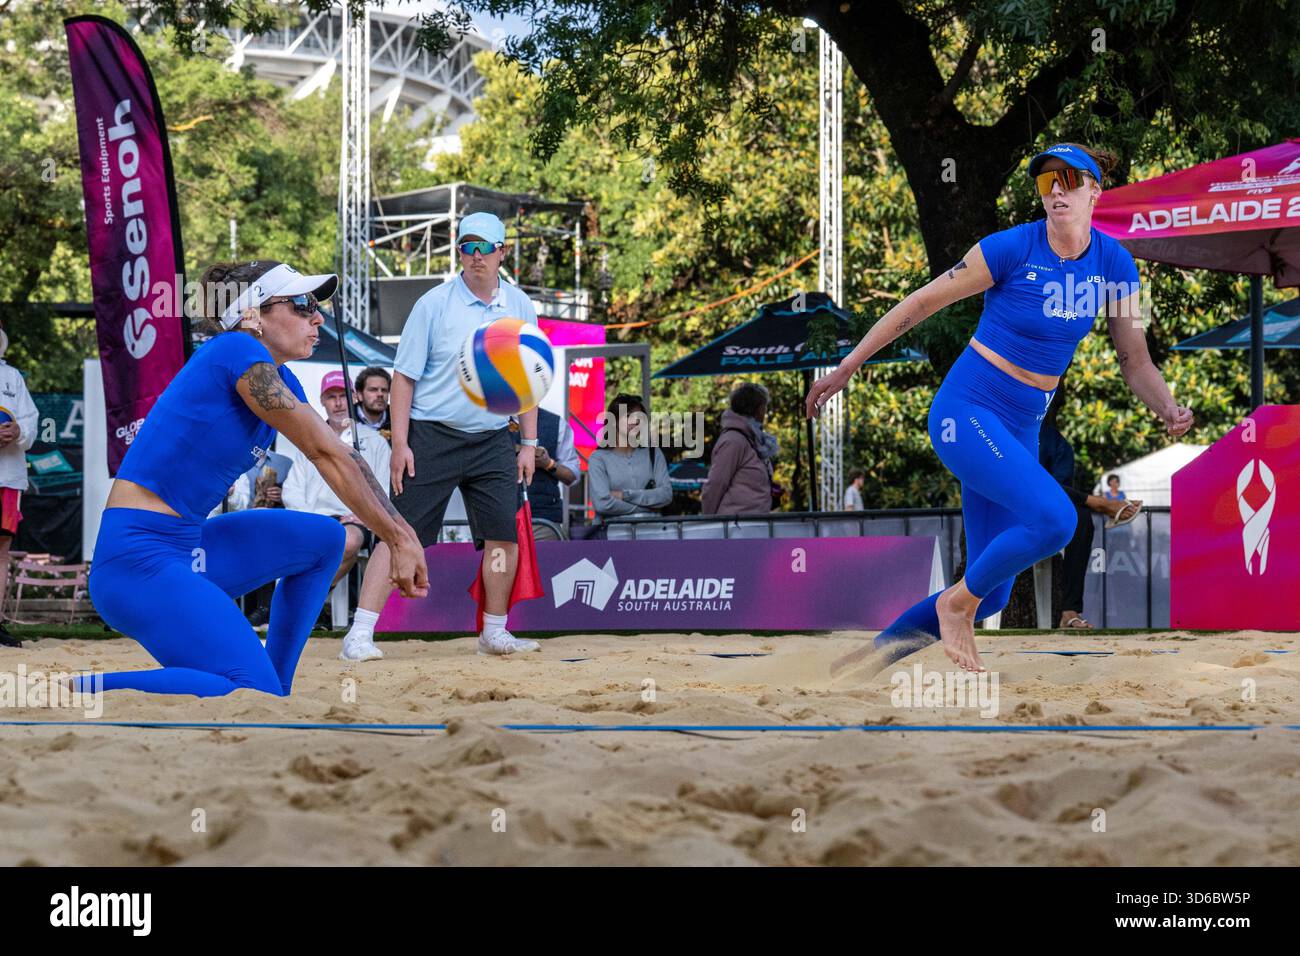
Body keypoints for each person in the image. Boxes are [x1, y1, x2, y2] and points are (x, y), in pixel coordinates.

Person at [807, 142, 1193, 672]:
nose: (1056, 190)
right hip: (967, 411)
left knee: (990, 593)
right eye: (1045, 182)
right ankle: (952, 606)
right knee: (1057, 519)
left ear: (1094, 191)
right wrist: (848, 365)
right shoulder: (1009, 248)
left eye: (1069, 180)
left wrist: (1168, 406)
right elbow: (921, 303)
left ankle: (861, 665)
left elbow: (1135, 361)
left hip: (1021, 427)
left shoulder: (1118, 265)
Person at [77, 260, 427, 697]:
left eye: (316, 305)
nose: (318, 316)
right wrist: (398, 539)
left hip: (187, 547)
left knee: (325, 539)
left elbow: (341, 455)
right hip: (133, 563)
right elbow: (326, 454)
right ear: (251, 315)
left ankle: (276, 686)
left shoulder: (284, 380)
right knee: (242, 684)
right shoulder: (235, 350)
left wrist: (402, 534)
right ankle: (67, 688)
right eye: (302, 304)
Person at [337, 211, 542, 660]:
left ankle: (494, 632)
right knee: (399, 532)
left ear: (502, 252)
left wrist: (528, 443)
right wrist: (401, 444)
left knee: (502, 539)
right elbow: (404, 378)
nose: (474, 257)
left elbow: (527, 380)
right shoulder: (433, 304)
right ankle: (360, 634)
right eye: (466, 248)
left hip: (492, 438)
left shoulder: (520, 306)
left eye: (484, 248)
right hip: (433, 434)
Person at [1038, 387, 1141, 629]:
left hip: (1038, 515)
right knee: (1081, 506)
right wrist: (1097, 501)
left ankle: (1069, 610)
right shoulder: (1003, 432)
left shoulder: (1056, 443)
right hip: (1001, 511)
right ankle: (1101, 503)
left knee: (1081, 517)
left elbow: (1056, 491)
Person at [282, 370, 392, 590]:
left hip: (356, 518)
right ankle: (312, 601)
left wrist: (366, 513)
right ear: (322, 400)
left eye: (343, 395)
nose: (339, 403)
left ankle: (305, 595)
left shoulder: (374, 442)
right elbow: (291, 490)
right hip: (316, 517)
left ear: (354, 397)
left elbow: (383, 488)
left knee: (348, 541)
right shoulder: (309, 439)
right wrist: (310, 519)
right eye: (332, 397)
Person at [0, 318, 38, 648]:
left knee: (1, 553)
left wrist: (17, 432)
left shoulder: (12, 378)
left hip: (8, 478)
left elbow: (30, 423)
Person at [588, 394, 671, 526]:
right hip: (612, 538)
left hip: (651, 535)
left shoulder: (653, 453)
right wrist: (648, 507)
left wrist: (624, 495)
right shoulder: (598, 458)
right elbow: (602, 504)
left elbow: (666, 495)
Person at [701, 382, 777, 516]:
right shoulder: (734, 440)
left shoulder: (752, 439)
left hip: (749, 526)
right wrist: (709, 522)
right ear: (759, 409)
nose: (765, 412)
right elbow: (715, 484)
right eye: (765, 406)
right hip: (736, 527)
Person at [513, 407, 579, 539]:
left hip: (542, 521)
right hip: (499, 517)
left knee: (543, 559)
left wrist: (548, 463)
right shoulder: (492, 421)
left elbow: (572, 475)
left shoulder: (556, 423)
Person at [353, 366, 391, 437]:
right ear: (360, 395)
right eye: (373, 390)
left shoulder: (399, 421)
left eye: (384, 390)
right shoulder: (346, 418)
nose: (380, 394)